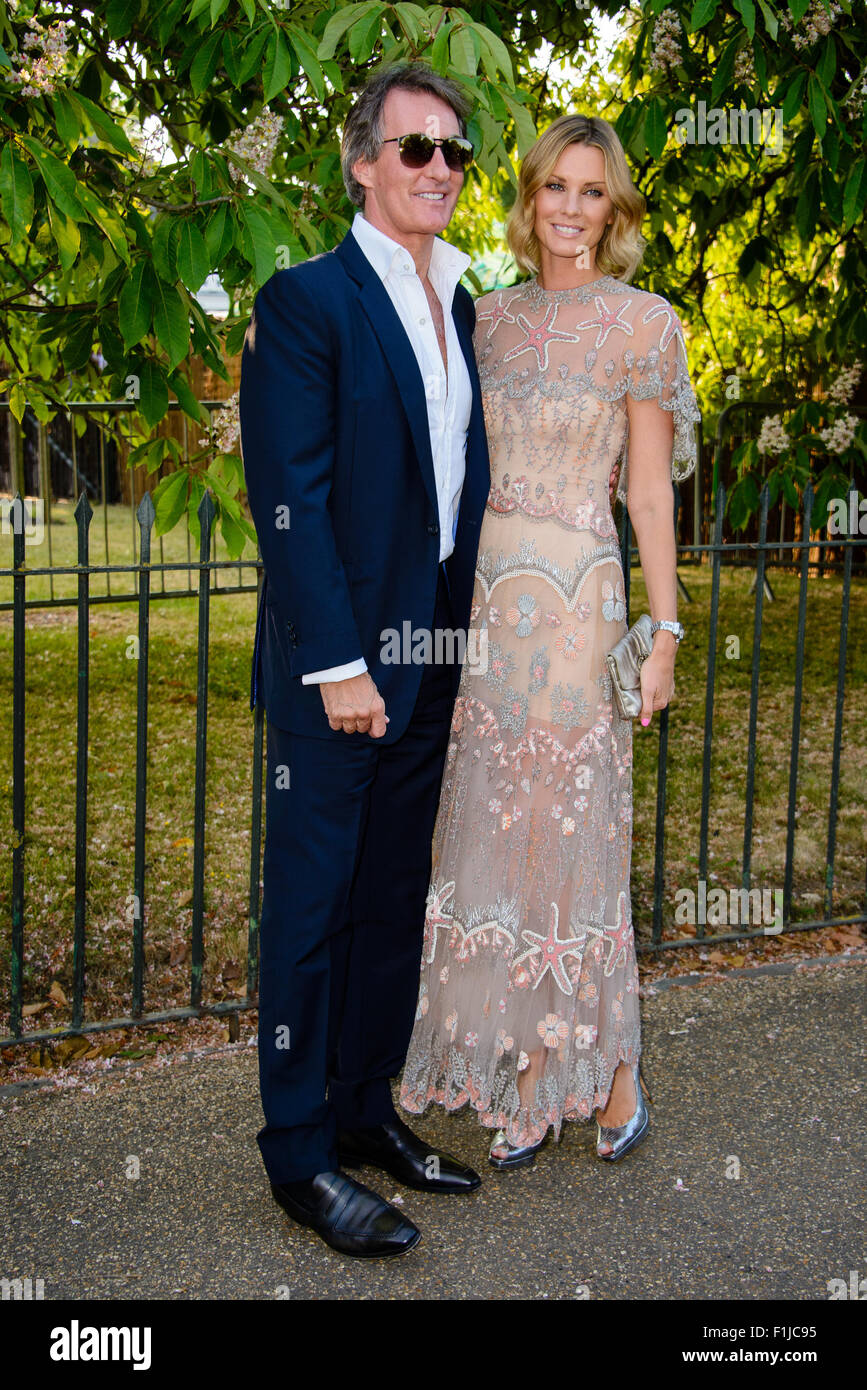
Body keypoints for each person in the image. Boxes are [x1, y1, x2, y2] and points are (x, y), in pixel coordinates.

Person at [400, 113, 701, 1168]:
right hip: (488, 611)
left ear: (614, 210)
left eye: (591, 191)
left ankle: (603, 1071)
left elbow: (650, 497)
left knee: (568, 841)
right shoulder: (484, 320)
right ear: (529, 198)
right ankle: (523, 1065)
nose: (570, 208)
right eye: (554, 187)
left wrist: (664, 635)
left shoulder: (644, 326)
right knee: (491, 832)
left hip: (581, 608)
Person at [238, 61, 491, 1258]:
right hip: (337, 671)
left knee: (390, 899)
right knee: (310, 910)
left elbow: (454, 488)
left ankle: (362, 1108)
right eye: (414, 147)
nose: (439, 167)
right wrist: (338, 663)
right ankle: (298, 1154)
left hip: (429, 652)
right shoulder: (306, 300)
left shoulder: (463, 301)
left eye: (455, 151)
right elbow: (287, 494)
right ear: (360, 164)